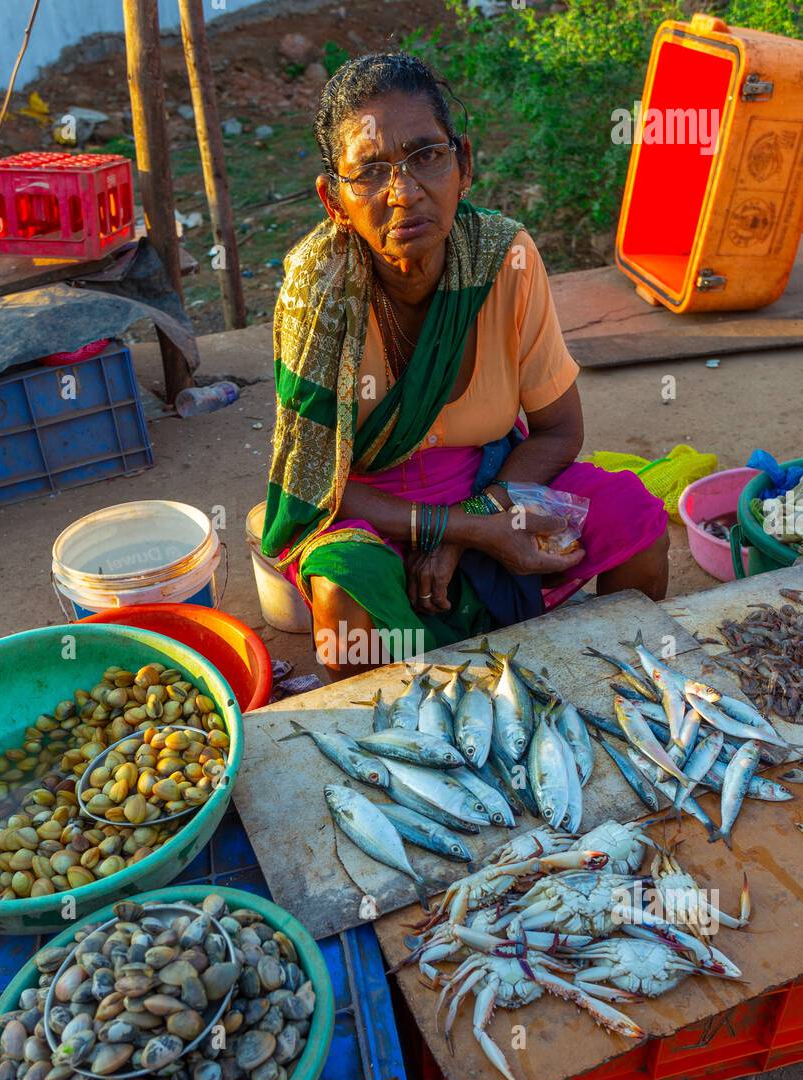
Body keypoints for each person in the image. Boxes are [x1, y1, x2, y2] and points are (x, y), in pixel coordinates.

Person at [261, 53, 669, 677]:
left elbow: (559, 430)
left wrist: (469, 524)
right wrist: (460, 531)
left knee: (633, 515)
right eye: (370, 172)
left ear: (465, 164)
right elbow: (318, 490)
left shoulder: (505, 260)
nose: (404, 192)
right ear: (334, 200)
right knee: (347, 596)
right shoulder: (315, 290)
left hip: (493, 485)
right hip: (370, 509)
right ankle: (398, 737)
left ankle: (618, 690)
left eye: (426, 154)